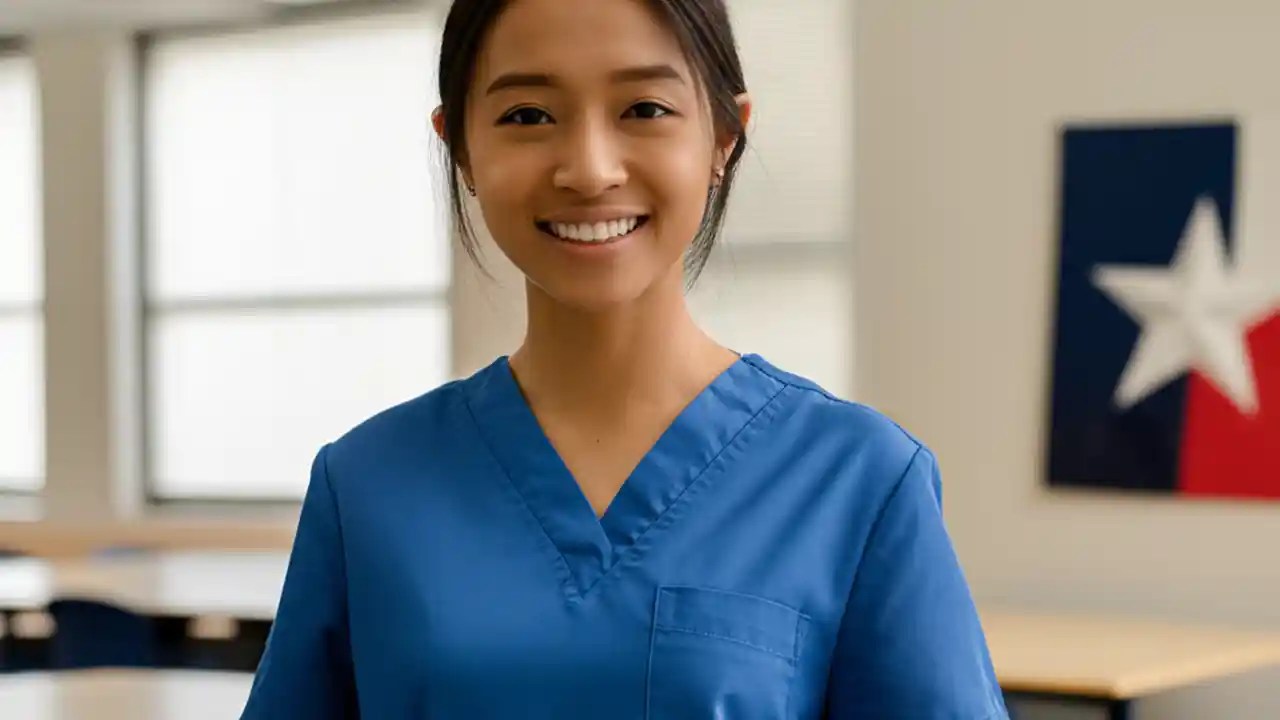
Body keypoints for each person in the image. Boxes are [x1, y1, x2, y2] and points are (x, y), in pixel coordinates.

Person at [240, 0, 1009, 717]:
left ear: (724, 136)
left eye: (644, 109)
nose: (590, 169)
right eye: (527, 114)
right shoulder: (368, 484)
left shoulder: (859, 480)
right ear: (462, 149)